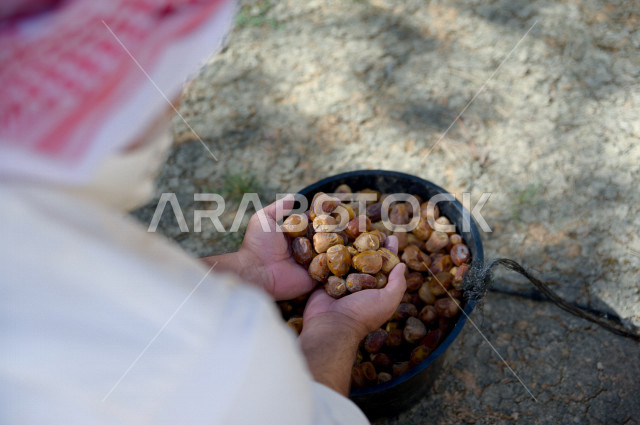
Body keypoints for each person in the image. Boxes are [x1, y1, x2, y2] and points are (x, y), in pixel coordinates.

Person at [0, 0, 407, 424]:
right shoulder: (202, 354)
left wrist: (250, 268)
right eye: (178, 75)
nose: (179, 97)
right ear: (111, 90)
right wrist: (337, 327)